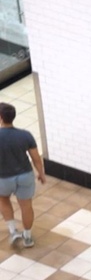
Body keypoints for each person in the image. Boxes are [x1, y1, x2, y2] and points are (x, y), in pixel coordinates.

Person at [0, 102, 46, 248]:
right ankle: (27, 237)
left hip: (3, 178)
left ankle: (13, 231)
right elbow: (36, 158)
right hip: (25, 175)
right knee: (26, 206)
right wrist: (41, 173)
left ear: (0, 118)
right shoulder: (25, 135)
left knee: (3, 200)